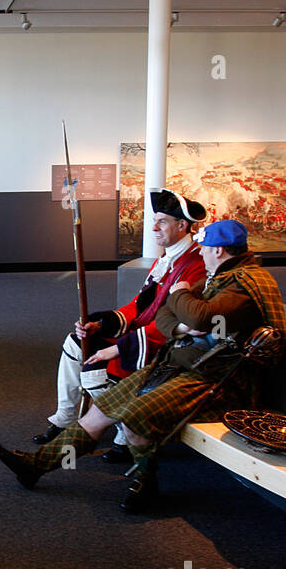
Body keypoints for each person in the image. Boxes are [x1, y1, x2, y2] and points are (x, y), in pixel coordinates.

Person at [0, 219, 286, 513]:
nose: (201, 253)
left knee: (135, 419)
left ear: (221, 251)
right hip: (179, 362)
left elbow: (201, 317)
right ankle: (36, 466)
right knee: (99, 411)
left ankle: (145, 484)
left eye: (207, 248)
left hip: (210, 377)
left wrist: (180, 296)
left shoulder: (242, 285)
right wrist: (183, 325)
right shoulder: (220, 276)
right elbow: (164, 315)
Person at [34, 188, 207, 464]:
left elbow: (175, 324)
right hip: (140, 332)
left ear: (182, 225)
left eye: (161, 221)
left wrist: (119, 348)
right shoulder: (166, 259)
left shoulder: (195, 265)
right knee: (76, 342)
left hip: (162, 344)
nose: (154, 227)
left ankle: (124, 435)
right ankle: (66, 418)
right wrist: (101, 325)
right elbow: (139, 305)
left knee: (95, 369)